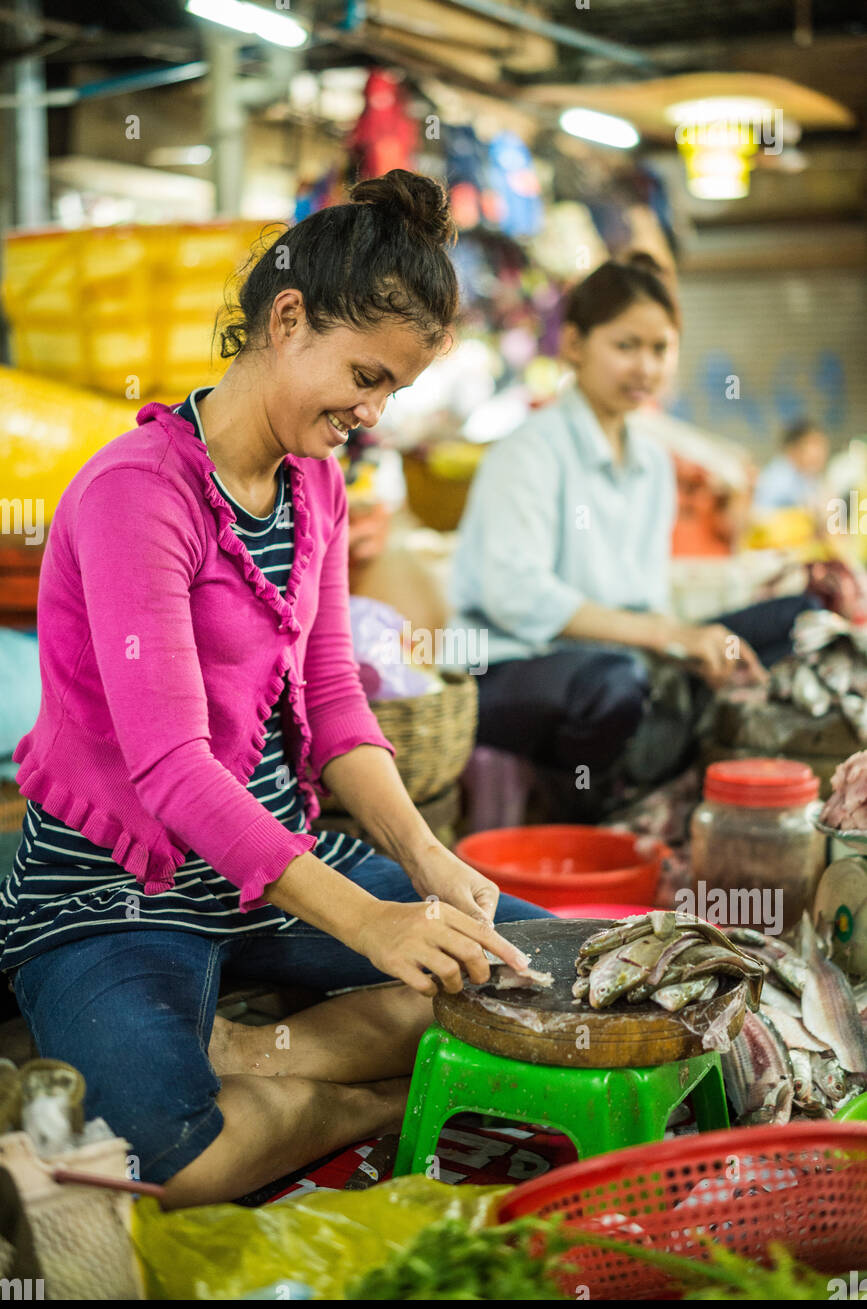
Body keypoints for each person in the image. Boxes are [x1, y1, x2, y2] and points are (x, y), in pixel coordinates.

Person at [0, 170, 549, 1209]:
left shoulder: (318, 486)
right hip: (120, 884)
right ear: (287, 318)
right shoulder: (137, 494)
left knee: (535, 963)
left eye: (394, 391)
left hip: (271, 873)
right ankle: (381, 1097)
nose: (373, 411)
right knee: (172, 1158)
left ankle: (256, 1053)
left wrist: (428, 861)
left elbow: (337, 701)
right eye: (366, 375)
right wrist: (371, 926)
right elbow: (170, 769)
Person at [449, 254, 821, 814]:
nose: (645, 366)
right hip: (511, 669)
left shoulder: (651, 461)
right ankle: (582, 814)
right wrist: (664, 636)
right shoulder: (529, 452)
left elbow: (648, 596)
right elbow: (514, 595)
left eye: (659, 348)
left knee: (801, 617)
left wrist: (687, 645)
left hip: (623, 654)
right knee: (613, 684)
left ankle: (658, 775)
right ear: (574, 344)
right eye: (626, 346)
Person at [753, 420, 830, 514]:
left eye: (822, 446)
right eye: (815, 444)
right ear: (794, 447)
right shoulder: (779, 477)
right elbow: (763, 516)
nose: (820, 453)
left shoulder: (807, 476)